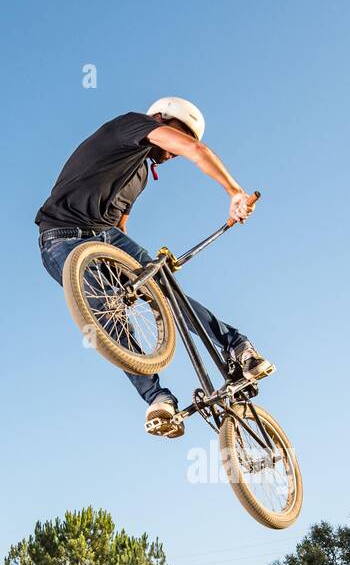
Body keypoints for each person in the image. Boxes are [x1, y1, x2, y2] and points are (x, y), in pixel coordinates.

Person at [36, 97, 273, 436]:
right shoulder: (131, 125)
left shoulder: (141, 173)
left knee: (163, 290)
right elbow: (195, 150)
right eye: (179, 132)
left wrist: (129, 276)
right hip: (60, 238)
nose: (173, 151)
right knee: (105, 313)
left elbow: (119, 226)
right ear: (161, 118)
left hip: (106, 237)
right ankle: (158, 399)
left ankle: (237, 346)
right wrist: (234, 192)